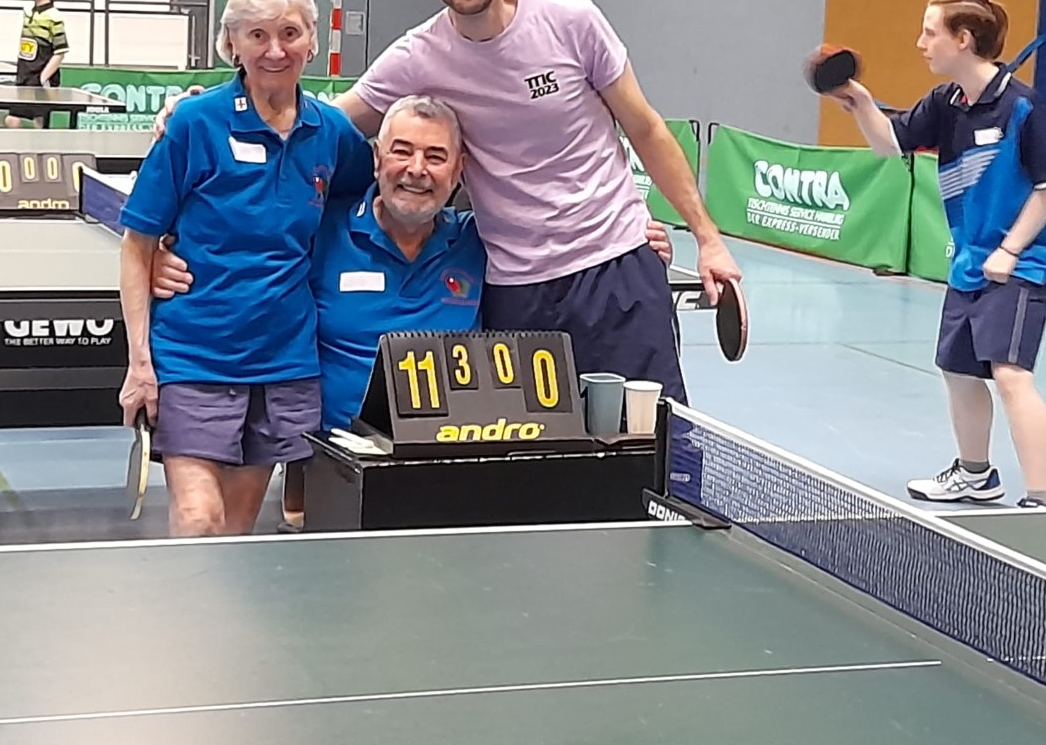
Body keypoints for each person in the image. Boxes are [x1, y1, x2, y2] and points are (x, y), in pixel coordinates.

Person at [155, 0, 738, 405]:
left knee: (651, 437)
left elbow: (646, 128)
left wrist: (708, 241)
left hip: (613, 262)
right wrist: (209, 110)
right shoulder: (419, 55)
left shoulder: (571, 18)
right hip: (515, 284)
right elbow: (317, 123)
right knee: (539, 452)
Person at [152, 91, 673, 531]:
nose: (416, 171)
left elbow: (569, 241)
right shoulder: (320, 230)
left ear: (460, 170)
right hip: (340, 470)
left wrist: (633, 239)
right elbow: (238, 236)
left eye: (436, 156)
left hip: (449, 474)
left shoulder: (485, 242)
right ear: (376, 157)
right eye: (401, 152)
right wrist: (162, 251)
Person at [117, 0, 374, 538]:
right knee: (200, 519)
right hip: (195, 354)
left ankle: (212, 630)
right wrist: (141, 365)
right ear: (231, 42)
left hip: (283, 360)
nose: (275, 50)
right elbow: (135, 246)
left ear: (312, 39)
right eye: (256, 35)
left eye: (289, 33)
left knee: (236, 531)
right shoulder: (193, 123)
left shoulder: (331, 132)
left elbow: (373, 202)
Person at [827, 0, 1046, 508]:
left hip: (1020, 266)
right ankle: (975, 474)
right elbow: (890, 144)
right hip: (968, 265)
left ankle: (1041, 499)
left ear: (963, 39)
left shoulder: (1025, 108)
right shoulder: (947, 103)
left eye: (930, 32)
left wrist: (1009, 249)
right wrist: (862, 104)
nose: (920, 44)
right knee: (958, 370)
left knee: (1010, 375)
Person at [8, 0, 69, 128]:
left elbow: (60, 52)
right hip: (24, 75)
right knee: (12, 119)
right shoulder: (28, 11)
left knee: (39, 121)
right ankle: (19, 152)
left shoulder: (54, 17)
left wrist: (43, 78)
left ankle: (39, 152)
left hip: (42, 78)